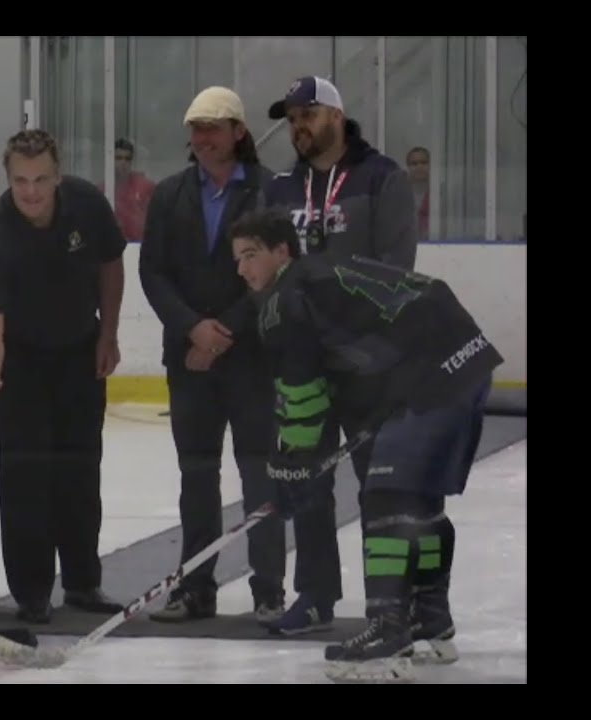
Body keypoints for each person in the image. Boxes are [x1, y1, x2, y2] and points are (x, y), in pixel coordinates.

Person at [229, 208, 500, 682]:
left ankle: (387, 630)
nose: (243, 269)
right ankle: (430, 621)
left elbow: (304, 397)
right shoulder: (317, 277)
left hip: (430, 369)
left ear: (281, 252)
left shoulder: (284, 301)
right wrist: (298, 462)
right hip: (463, 355)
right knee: (419, 502)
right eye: (237, 259)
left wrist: (292, 465)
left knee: (387, 497)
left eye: (251, 255)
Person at [262, 76, 419, 635]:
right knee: (306, 483)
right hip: (304, 367)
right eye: (292, 117)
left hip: (368, 365)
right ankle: (316, 593)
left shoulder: (382, 179)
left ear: (336, 115)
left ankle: (391, 603)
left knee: (382, 486)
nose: (298, 125)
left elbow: (396, 273)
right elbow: (266, 271)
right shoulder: (281, 189)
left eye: (308, 113)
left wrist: (363, 345)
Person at [137, 86, 286, 625]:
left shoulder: (273, 192)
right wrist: (192, 329)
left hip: (253, 362)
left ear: (238, 132)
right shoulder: (170, 194)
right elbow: (152, 270)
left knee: (260, 477)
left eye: (214, 128)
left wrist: (221, 333)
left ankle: (269, 590)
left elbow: (276, 273)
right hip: (190, 361)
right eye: (196, 129)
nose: (202, 139)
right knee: (196, 478)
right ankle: (195, 588)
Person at [0, 128, 127, 624]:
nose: (31, 192)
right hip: (20, 365)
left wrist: (109, 335)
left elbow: (109, 265)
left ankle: (83, 582)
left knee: (80, 470)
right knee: (28, 475)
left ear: (58, 175)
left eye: (40, 179)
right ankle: (32, 590)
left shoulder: (85, 204)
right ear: (8, 178)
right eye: (20, 181)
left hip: (79, 352)